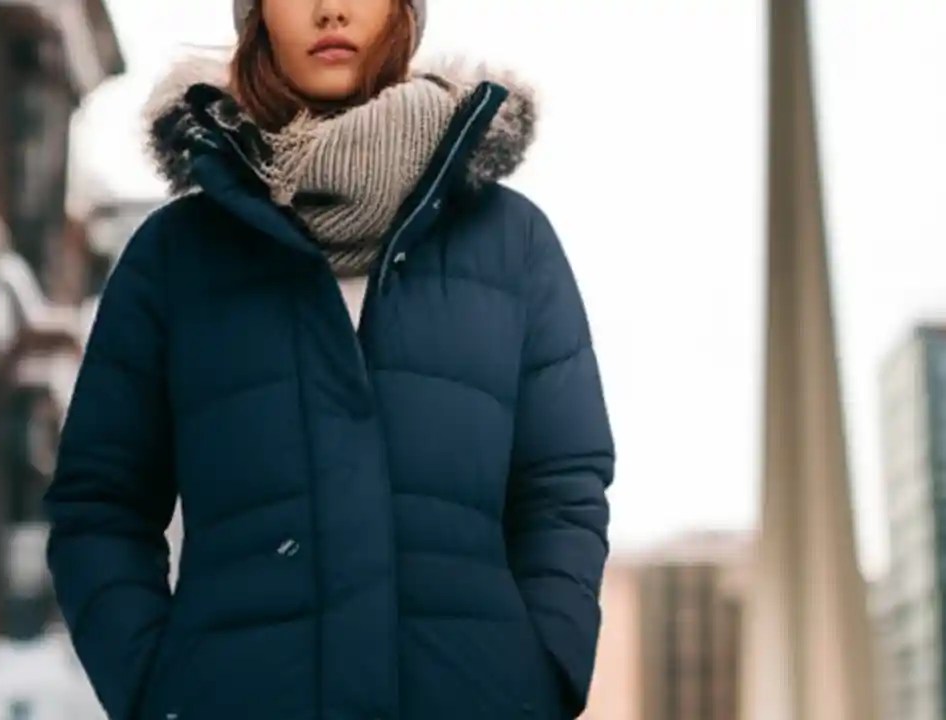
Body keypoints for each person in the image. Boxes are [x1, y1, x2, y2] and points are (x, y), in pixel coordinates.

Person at [43, 1, 616, 718]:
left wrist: (542, 676)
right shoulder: (175, 258)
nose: (331, 9)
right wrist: (163, 694)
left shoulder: (511, 244)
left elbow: (562, 491)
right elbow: (100, 507)